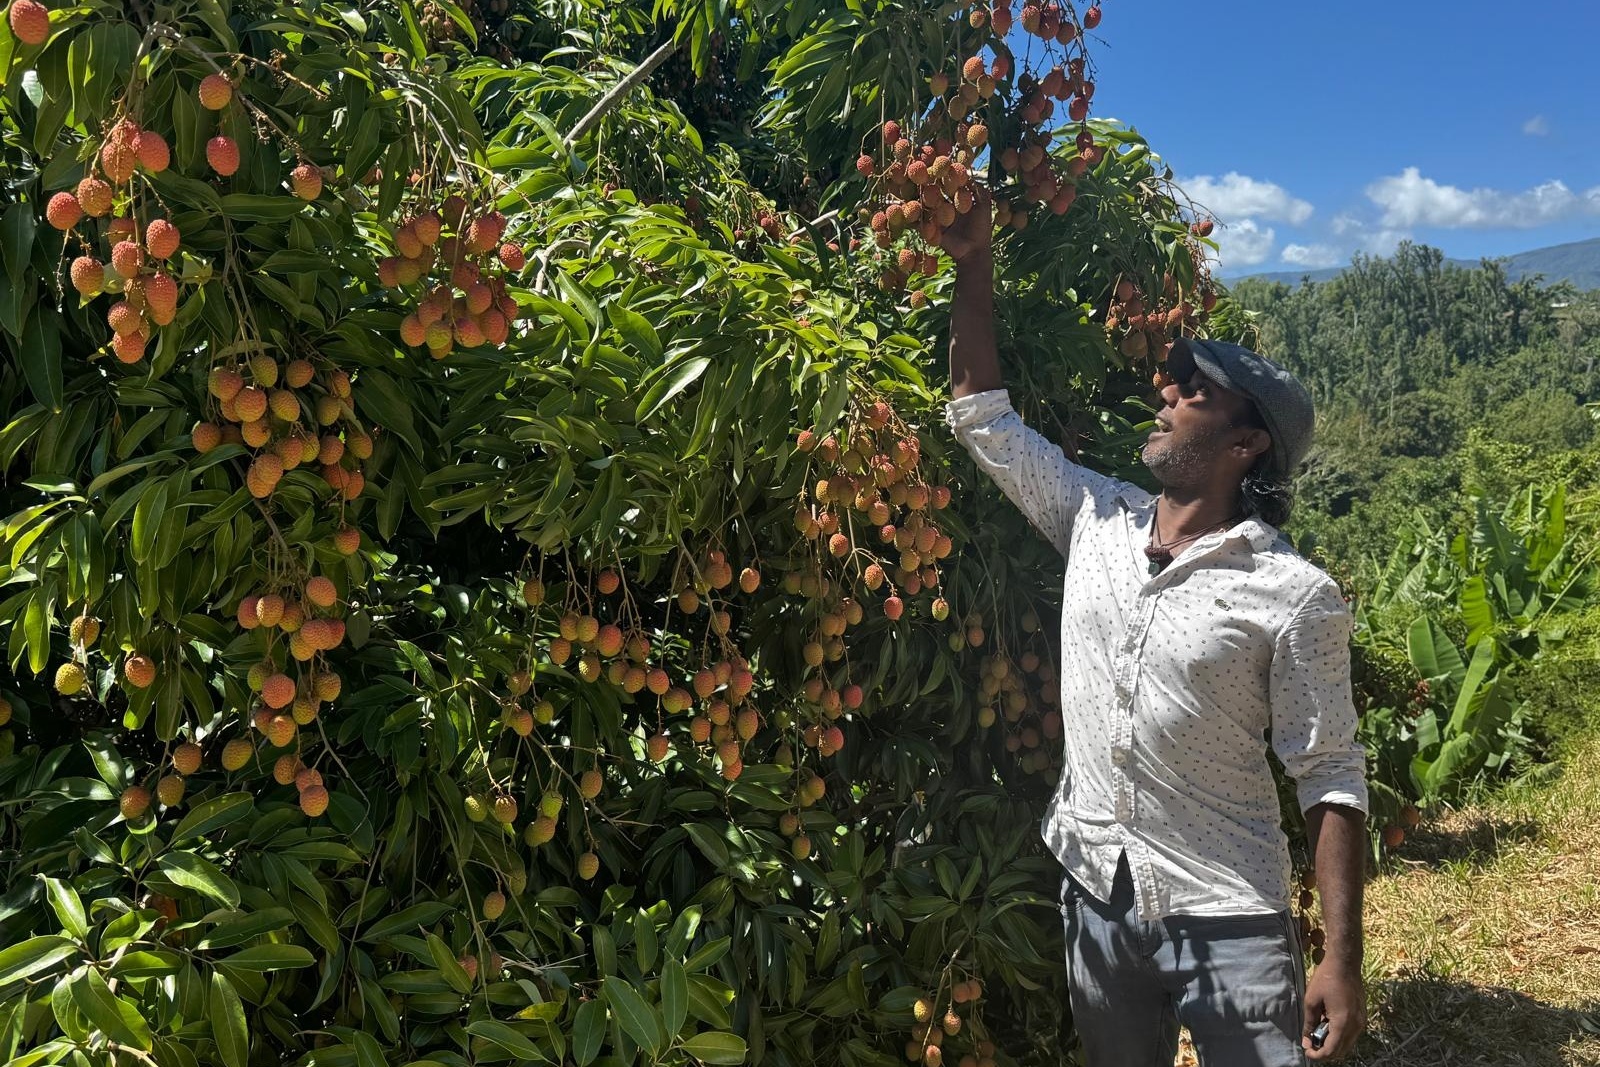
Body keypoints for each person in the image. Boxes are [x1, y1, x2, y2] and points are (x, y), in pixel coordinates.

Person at [938, 187, 1369, 1066]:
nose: (1166, 393)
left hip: (1229, 911)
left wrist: (1342, 958)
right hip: (1095, 889)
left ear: (1248, 444)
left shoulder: (1292, 592)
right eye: (1174, 380)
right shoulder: (1095, 516)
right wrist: (973, 262)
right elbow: (986, 418)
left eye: (1196, 391)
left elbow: (1330, 772)